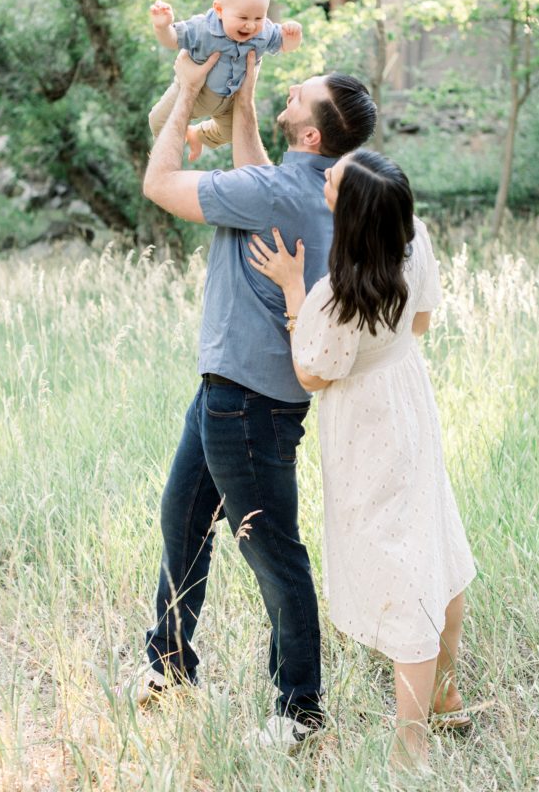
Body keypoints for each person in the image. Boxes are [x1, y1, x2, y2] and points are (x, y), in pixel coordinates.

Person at [138, 47, 376, 748]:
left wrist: (186, 92)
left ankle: (298, 710)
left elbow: (158, 182)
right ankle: (169, 663)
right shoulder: (302, 185)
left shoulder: (276, 193)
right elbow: (255, 169)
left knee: (273, 552)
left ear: (308, 133)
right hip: (231, 391)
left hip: (245, 403)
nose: (292, 89)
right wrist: (246, 100)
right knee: (182, 517)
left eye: (299, 93)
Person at [247, 149, 476, 770]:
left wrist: (293, 288)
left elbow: (312, 372)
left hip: (365, 431)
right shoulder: (414, 242)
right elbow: (422, 321)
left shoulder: (336, 295)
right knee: (432, 540)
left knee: (399, 567)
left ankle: (412, 746)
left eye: (333, 179)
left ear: (349, 215)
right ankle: (447, 695)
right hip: (409, 403)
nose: (324, 175)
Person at [149, 0, 302, 161]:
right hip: (194, 92)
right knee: (157, 121)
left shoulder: (264, 33)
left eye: (259, 18)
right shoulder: (202, 29)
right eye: (243, 17)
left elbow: (286, 46)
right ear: (219, 10)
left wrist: (293, 36)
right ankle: (165, 154)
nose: (251, 25)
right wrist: (162, 27)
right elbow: (172, 40)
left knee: (235, 133)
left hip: (229, 100)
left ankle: (197, 135)